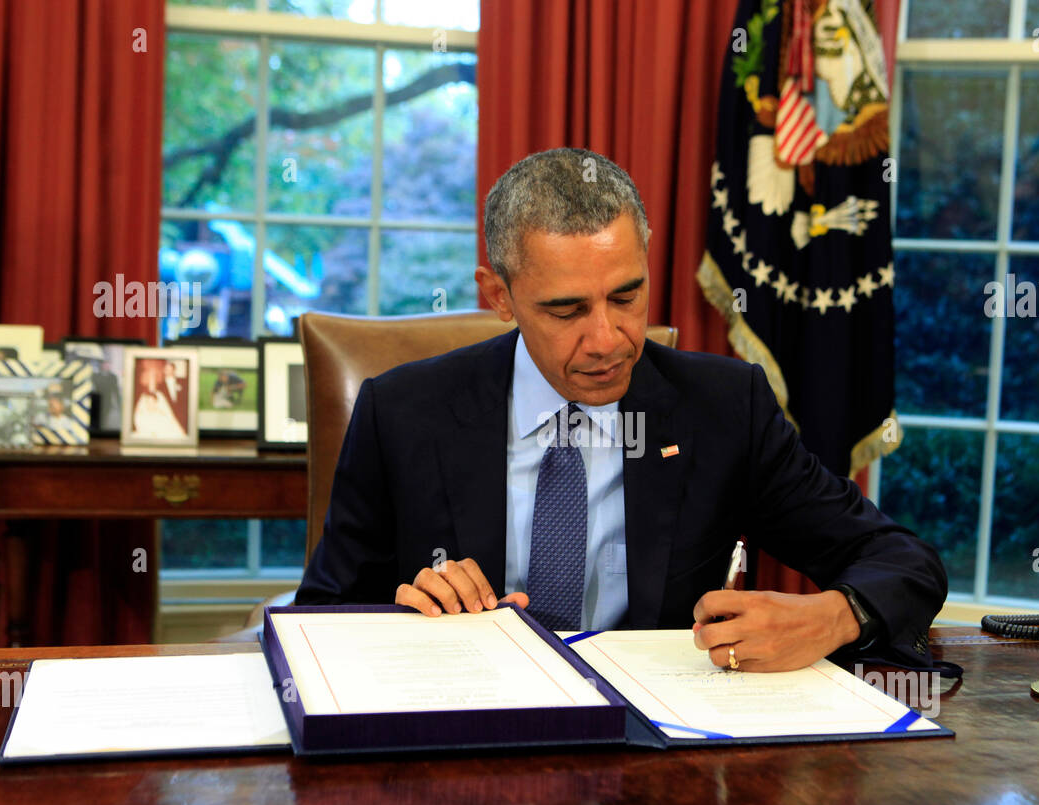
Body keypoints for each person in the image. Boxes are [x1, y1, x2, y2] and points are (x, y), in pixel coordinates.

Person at [296, 148, 946, 673]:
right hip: (469, 744)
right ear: (499, 294)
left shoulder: (725, 408)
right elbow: (320, 616)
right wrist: (408, 610)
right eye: (566, 309)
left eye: (627, 295)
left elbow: (903, 560)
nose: (608, 340)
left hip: (656, 758)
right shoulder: (404, 412)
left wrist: (833, 616)